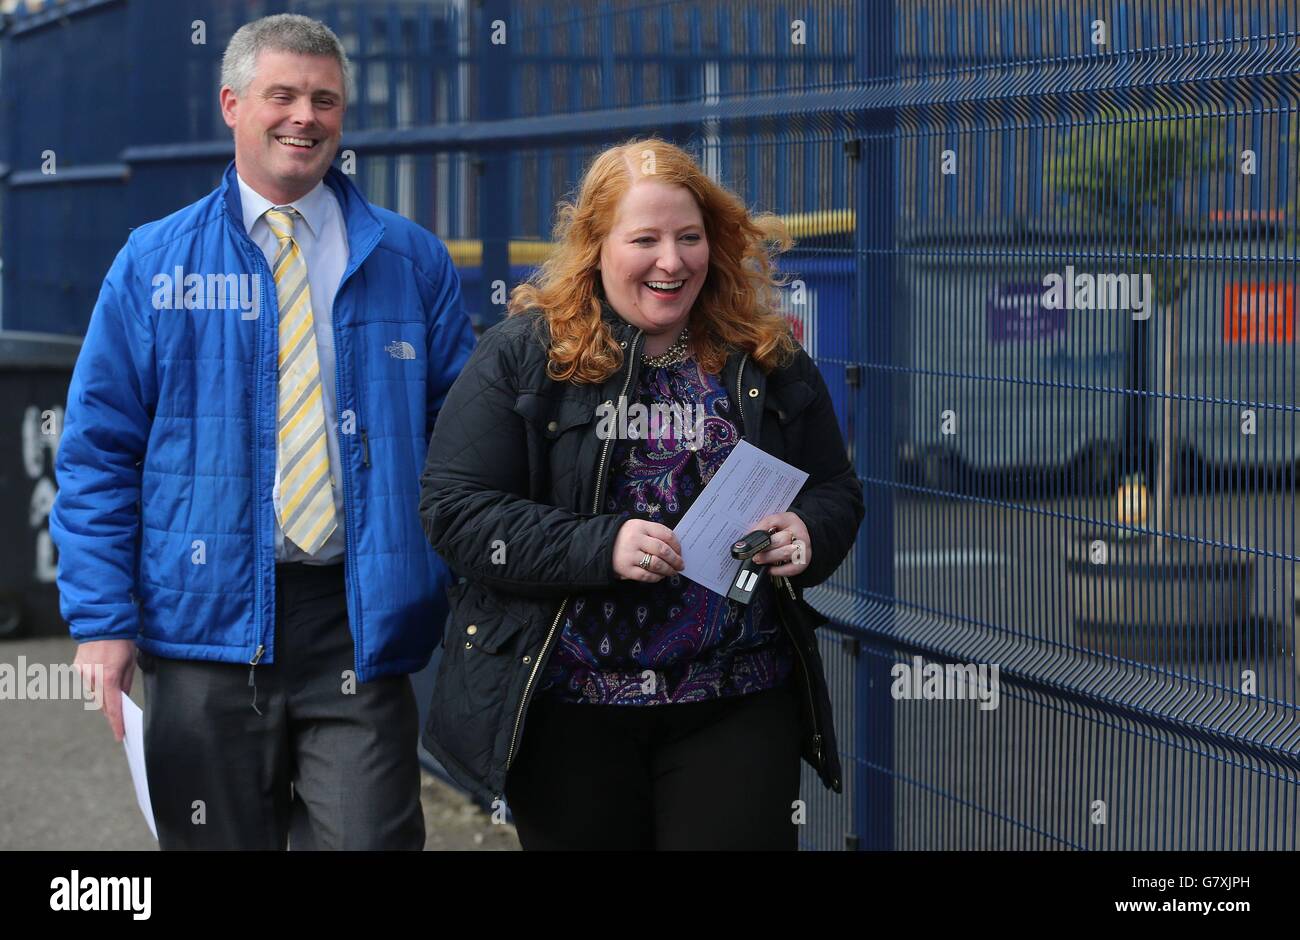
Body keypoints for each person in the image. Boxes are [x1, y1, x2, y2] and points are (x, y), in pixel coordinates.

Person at [50, 14, 474, 850]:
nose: (304, 117)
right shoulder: (153, 263)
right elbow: (99, 451)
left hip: (355, 620)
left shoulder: (410, 261)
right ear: (232, 104)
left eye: (325, 100)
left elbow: (458, 439)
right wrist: (103, 623)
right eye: (282, 95)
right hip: (200, 623)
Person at [419, 138, 863, 850]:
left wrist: (807, 533)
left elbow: (835, 489)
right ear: (595, 244)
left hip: (737, 697)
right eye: (645, 239)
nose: (672, 261)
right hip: (569, 704)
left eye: (690, 238)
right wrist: (602, 546)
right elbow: (455, 508)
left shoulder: (763, 353)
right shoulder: (525, 355)